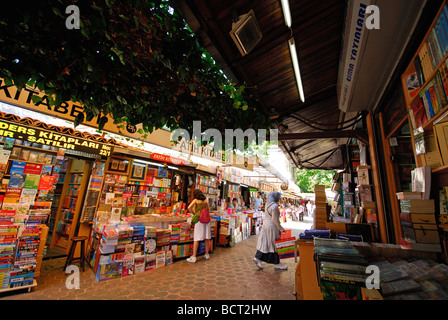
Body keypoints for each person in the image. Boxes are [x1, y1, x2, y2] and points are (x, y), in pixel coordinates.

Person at [253, 191, 288, 270]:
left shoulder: (267, 205)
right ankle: (276, 263)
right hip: (272, 227)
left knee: (265, 243)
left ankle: (258, 258)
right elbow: (275, 220)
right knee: (273, 244)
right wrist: (281, 228)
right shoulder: (274, 206)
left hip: (266, 225)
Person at [186, 189, 212, 263]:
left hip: (199, 220)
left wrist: (195, 213)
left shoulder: (196, 200)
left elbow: (189, 207)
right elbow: (208, 210)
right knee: (206, 237)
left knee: (197, 238)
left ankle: (194, 256)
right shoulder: (205, 201)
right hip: (206, 221)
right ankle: (207, 254)